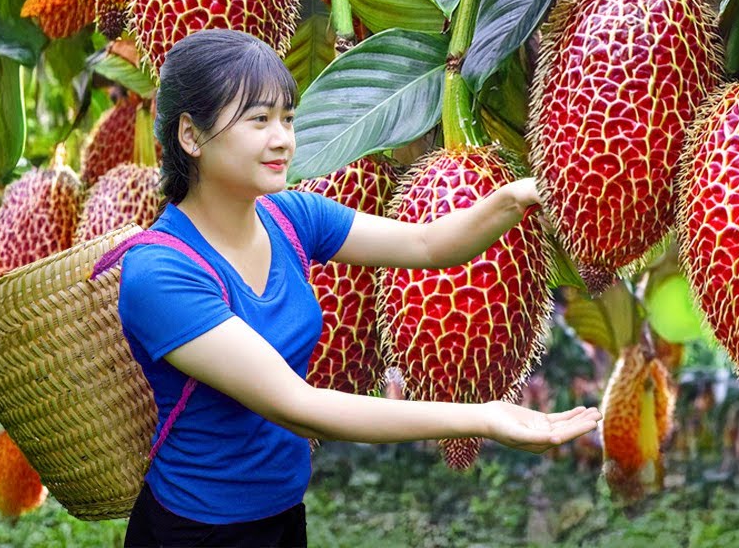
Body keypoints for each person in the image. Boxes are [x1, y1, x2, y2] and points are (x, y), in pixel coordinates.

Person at [117, 29, 600, 547]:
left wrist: (517, 196)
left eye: (288, 118)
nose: (283, 138)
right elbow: (296, 405)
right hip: (195, 532)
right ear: (191, 135)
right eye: (258, 120)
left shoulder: (291, 218)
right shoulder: (160, 272)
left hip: (280, 517)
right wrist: (482, 415)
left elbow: (428, 246)